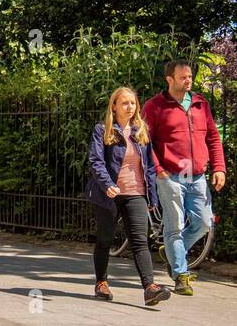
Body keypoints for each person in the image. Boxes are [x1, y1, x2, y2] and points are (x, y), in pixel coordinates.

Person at [144, 60, 227, 296]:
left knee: (204, 222)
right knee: (175, 226)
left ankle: (172, 253)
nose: (188, 80)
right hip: (170, 175)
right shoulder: (155, 106)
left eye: (190, 76)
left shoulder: (201, 104)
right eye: (183, 77)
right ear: (169, 79)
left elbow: (213, 137)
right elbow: (144, 141)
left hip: (197, 175)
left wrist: (219, 167)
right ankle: (180, 275)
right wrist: (158, 168)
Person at [86, 87, 172, 306]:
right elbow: (96, 161)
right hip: (109, 194)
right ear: (114, 106)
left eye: (133, 103)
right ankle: (101, 282)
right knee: (105, 239)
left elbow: (149, 166)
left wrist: (151, 197)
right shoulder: (103, 130)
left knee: (140, 241)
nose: (129, 107)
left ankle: (150, 288)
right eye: (124, 103)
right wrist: (107, 184)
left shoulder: (140, 131)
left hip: (136, 193)